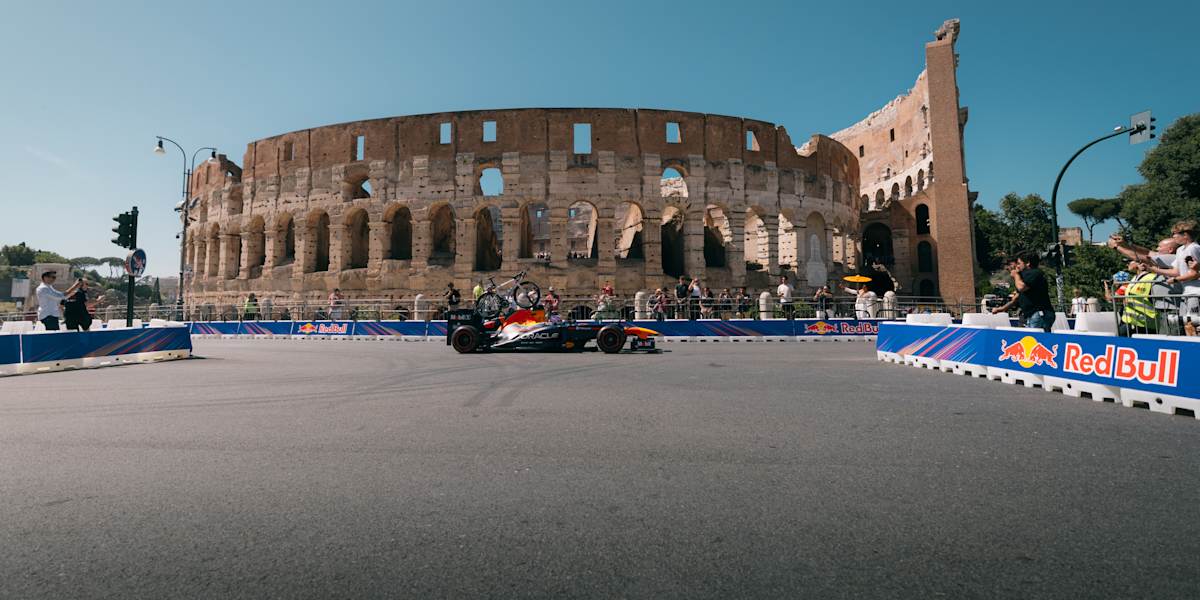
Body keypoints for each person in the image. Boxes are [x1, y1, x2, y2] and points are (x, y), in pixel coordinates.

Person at [1143, 220, 1200, 316]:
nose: (1173, 236)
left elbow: (1195, 273)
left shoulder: (1193, 248)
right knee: (1188, 325)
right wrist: (1153, 269)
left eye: (1174, 233)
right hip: (1186, 292)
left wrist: (1176, 280)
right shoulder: (1180, 250)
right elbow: (1176, 271)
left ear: (1185, 235)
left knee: (1194, 324)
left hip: (1196, 292)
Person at [1011, 252, 1055, 332]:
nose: (1017, 266)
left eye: (1019, 263)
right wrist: (1002, 308)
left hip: (1038, 313)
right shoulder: (1026, 275)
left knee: (1033, 339)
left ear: (1028, 263)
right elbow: (1018, 295)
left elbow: (1021, 287)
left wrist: (1016, 275)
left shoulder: (1035, 273)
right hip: (1033, 314)